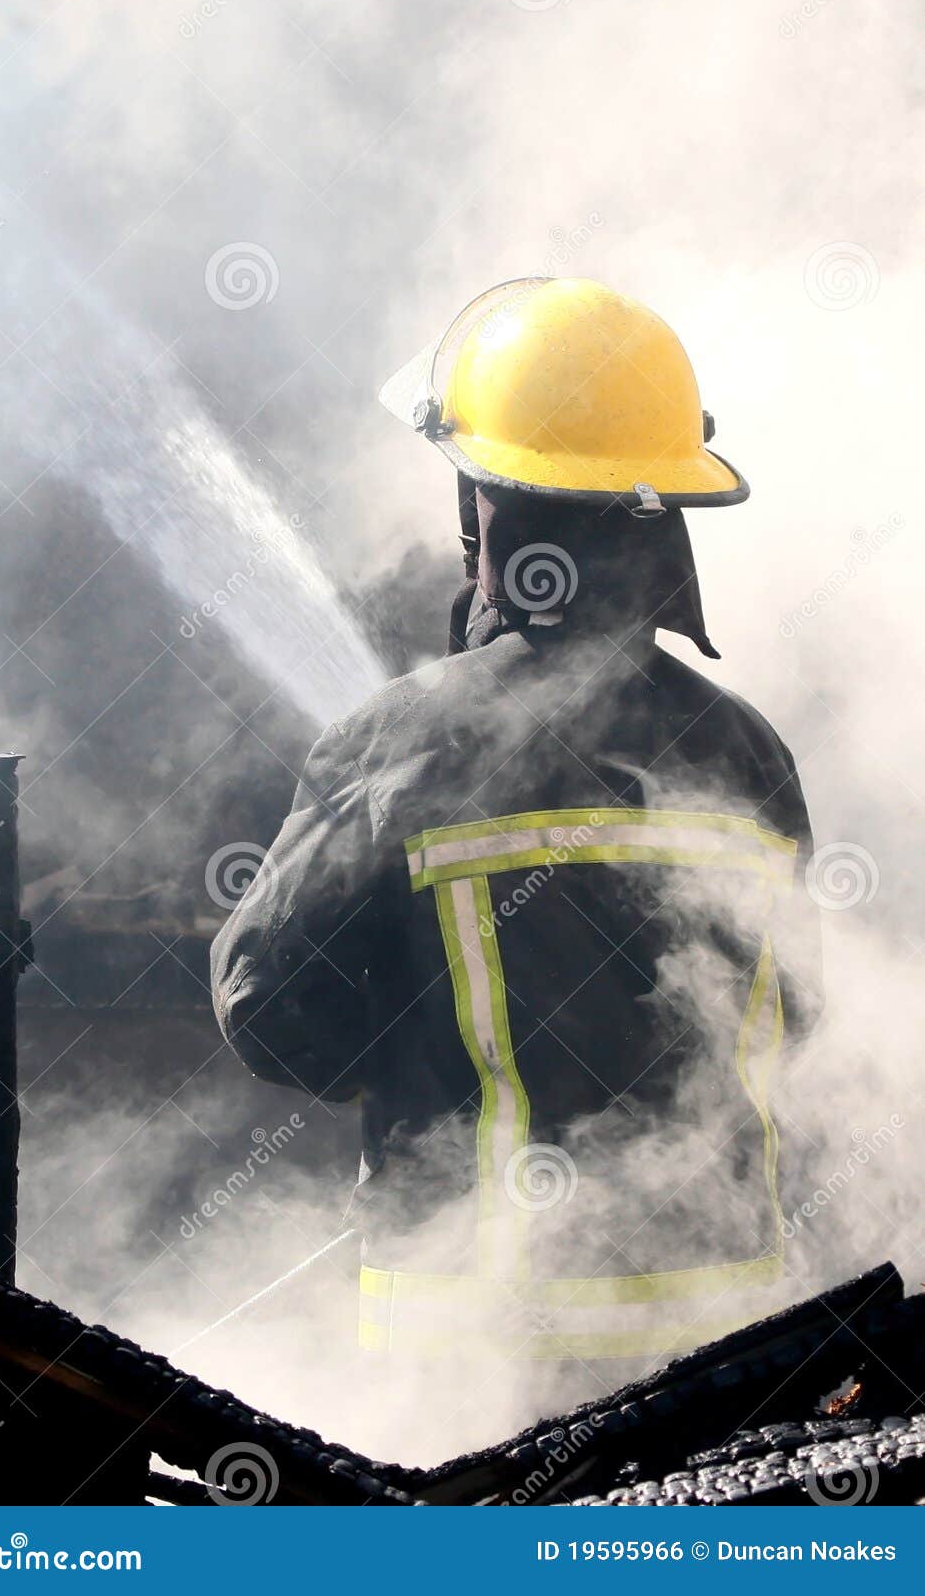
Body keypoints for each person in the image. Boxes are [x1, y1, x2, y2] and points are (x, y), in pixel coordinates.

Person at [211, 278, 821, 1372]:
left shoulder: (398, 743)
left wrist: (417, 1066)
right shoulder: (747, 752)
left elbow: (265, 1001)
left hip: (477, 1351)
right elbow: (799, 1011)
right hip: (727, 1336)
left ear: (485, 511)